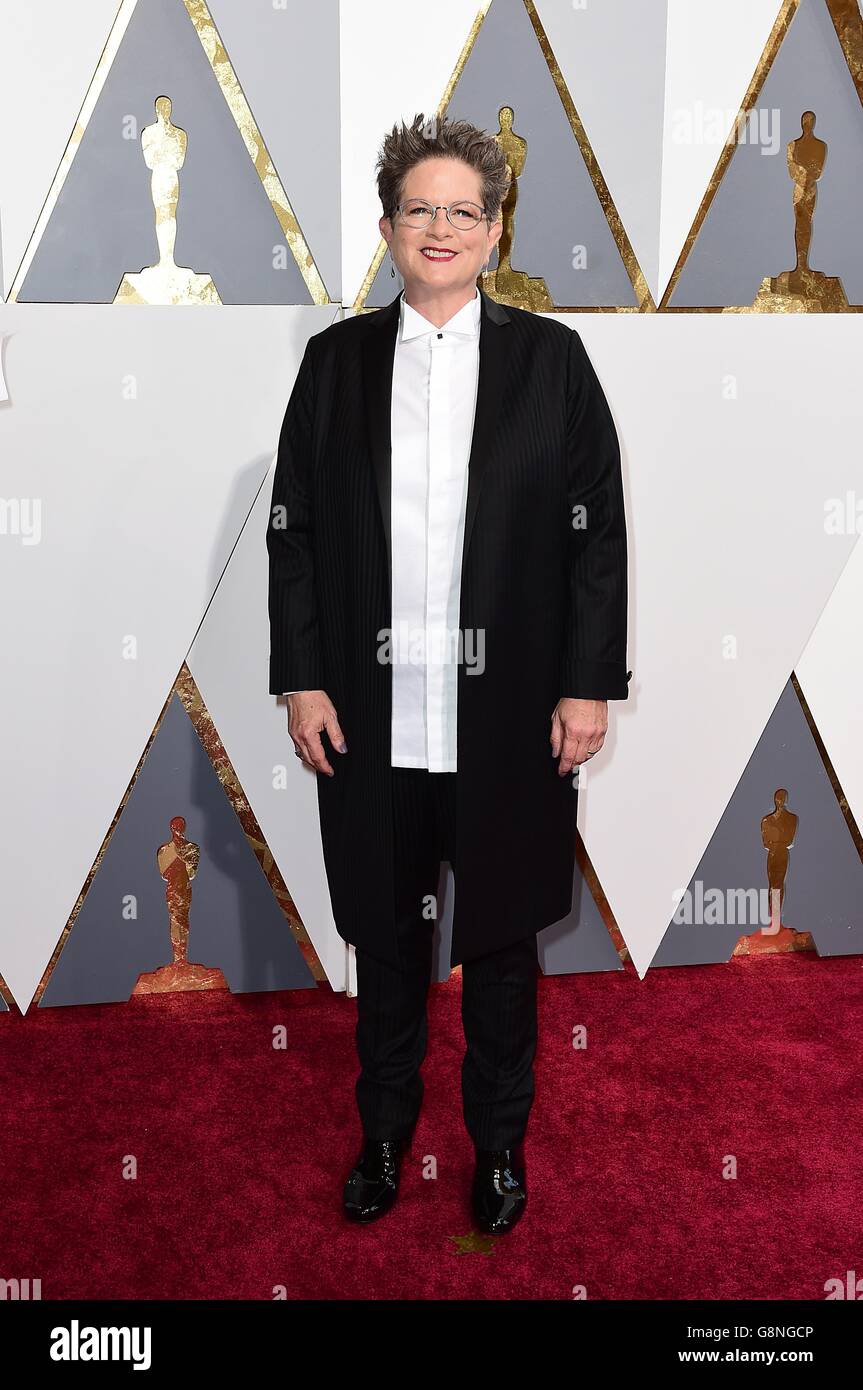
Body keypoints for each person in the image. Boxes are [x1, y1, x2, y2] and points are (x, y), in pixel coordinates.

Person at [267, 113, 631, 1234]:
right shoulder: (334, 366)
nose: (440, 227)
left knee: (502, 945)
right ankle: (381, 1137)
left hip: (510, 713)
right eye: (418, 208)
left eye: (462, 210)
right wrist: (303, 676)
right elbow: (297, 534)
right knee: (385, 940)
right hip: (371, 717)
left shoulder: (550, 363)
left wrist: (584, 685)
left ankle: (500, 1150)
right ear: (386, 227)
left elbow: (595, 537)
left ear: (495, 227)